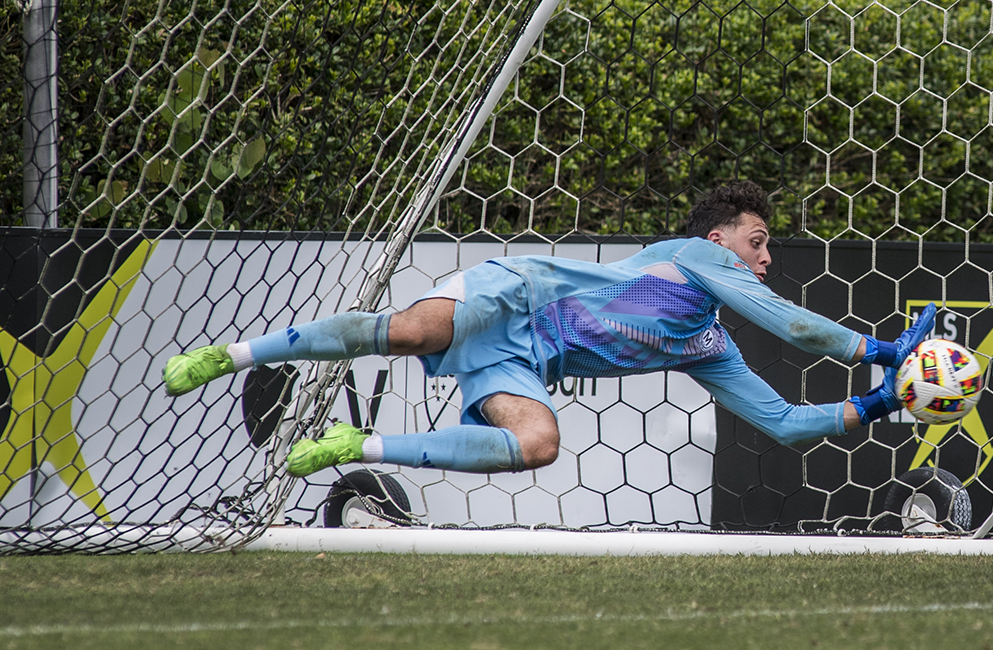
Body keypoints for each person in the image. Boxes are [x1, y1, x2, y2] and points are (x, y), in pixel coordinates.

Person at [162, 182, 935, 477]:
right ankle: (227, 355)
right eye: (757, 240)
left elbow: (785, 425)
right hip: (513, 295)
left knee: (538, 444)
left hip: (524, 358)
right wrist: (879, 350)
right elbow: (794, 327)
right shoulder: (694, 256)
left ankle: (353, 446)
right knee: (403, 333)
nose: (766, 258)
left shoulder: (710, 343)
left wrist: (877, 403)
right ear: (721, 238)